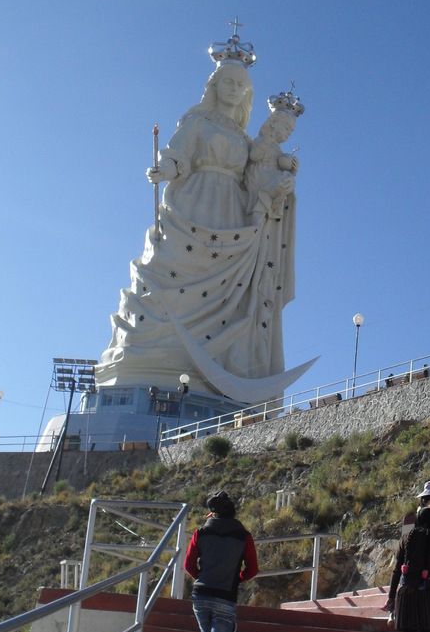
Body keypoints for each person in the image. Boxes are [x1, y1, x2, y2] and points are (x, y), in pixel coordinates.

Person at [95, 33, 310, 404]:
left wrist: (280, 184)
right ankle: (147, 357)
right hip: (191, 205)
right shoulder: (196, 123)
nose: (234, 89)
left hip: (231, 216)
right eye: (228, 82)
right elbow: (178, 155)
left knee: (232, 295)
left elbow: (256, 182)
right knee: (167, 271)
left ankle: (221, 366)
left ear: (247, 93)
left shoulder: (246, 142)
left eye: (241, 85)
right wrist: (165, 168)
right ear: (214, 84)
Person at [183, 489, 258, 632]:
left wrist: (201, 576)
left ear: (212, 512)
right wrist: (236, 578)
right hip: (225, 596)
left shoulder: (201, 532)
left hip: (201, 594)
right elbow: (253, 569)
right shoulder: (243, 536)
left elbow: (188, 564)